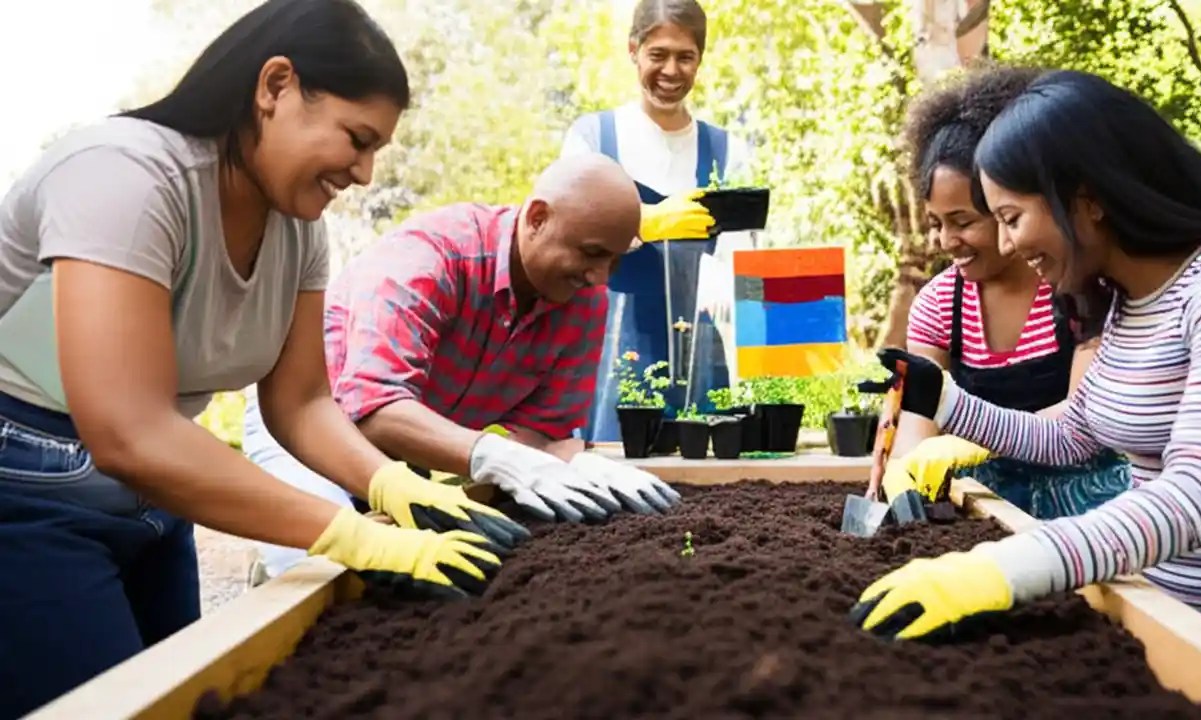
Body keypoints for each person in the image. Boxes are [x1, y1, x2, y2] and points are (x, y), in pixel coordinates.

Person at [0, 2, 526, 716]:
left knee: (180, 700)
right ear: (275, 86)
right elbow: (126, 429)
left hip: (159, 493)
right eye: (357, 138)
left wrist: (391, 486)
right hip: (26, 493)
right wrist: (347, 535)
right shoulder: (123, 176)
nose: (367, 173)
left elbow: (300, 401)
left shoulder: (297, 225)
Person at [851, 69, 1201, 653]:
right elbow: (1071, 435)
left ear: (1086, 202)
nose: (1006, 246)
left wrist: (1005, 568)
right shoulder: (1125, 300)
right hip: (1154, 618)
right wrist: (941, 398)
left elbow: (1199, 494)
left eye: (1011, 218)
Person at [245, 152, 684, 581]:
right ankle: (271, 574)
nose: (600, 277)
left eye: (614, 260)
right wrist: (492, 455)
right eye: (590, 253)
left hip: (410, 451)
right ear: (536, 219)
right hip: (305, 426)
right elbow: (375, 407)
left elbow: (541, 433)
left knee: (417, 578)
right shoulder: (431, 259)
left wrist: (573, 460)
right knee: (322, 571)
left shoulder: (583, 303)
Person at [882, 63, 1131, 519]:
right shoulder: (941, 305)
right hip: (988, 509)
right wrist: (907, 466)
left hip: (1087, 508)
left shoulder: (1078, 291)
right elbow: (917, 421)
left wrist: (968, 441)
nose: (945, 242)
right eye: (937, 224)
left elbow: (1079, 424)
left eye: (963, 222)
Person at [561, 0, 756, 443]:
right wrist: (640, 223)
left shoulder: (727, 152)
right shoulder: (592, 140)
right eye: (658, 54)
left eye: (685, 57)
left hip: (698, 345)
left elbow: (741, 260)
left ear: (700, 61)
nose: (671, 70)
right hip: (610, 338)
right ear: (634, 50)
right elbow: (564, 237)